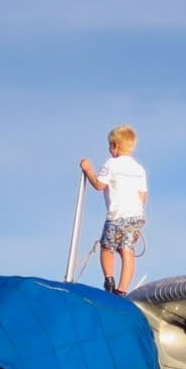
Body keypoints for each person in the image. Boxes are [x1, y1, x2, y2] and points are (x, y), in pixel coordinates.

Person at [79, 125, 148, 294]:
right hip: (136, 216)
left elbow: (99, 185)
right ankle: (123, 289)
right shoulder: (139, 169)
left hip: (117, 216)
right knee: (127, 250)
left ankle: (109, 279)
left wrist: (88, 169)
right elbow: (143, 195)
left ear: (115, 145)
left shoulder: (111, 164)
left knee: (106, 247)